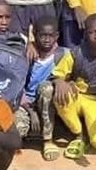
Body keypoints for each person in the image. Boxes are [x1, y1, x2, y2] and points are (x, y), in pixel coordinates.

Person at [51, 14, 96, 159]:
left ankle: (95, 134)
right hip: (76, 95)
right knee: (60, 97)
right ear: (85, 34)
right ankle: (78, 134)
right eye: (92, 32)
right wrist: (60, 82)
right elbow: (57, 74)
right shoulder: (75, 53)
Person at [20, 17, 66, 161]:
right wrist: (30, 110)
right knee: (17, 130)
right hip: (26, 103)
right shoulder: (27, 54)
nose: (46, 39)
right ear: (35, 34)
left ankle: (48, 140)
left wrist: (61, 81)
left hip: (48, 102)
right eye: (42, 35)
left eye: (50, 36)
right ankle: (34, 131)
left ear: (57, 36)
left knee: (47, 88)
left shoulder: (63, 55)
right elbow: (18, 84)